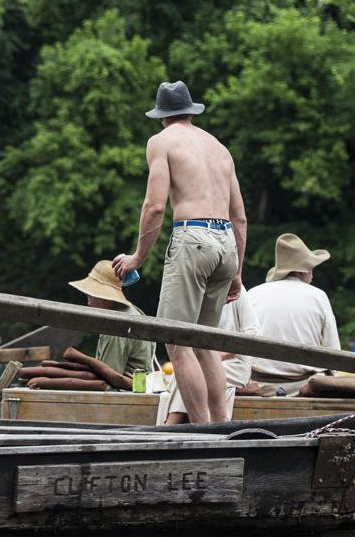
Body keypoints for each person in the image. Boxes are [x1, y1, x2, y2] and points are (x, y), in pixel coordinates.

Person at [113, 81, 246, 423]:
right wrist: (237, 272)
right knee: (206, 344)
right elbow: (240, 217)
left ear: (161, 117)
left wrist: (137, 258)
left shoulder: (161, 142)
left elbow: (155, 207)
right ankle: (222, 426)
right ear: (190, 111)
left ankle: (202, 432)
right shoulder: (219, 147)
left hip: (194, 237)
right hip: (227, 242)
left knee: (176, 341)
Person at [244, 233, 340, 394]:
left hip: (260, 387)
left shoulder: (252, 294)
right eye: (311, 269)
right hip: (306, 388)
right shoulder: (318, 295)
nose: (313, 275)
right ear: (303, 272)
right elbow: (334, 354)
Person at [158, 295, 261, 424]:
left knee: (196, 370)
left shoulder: (238, 293)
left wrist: (221, 354)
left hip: (235, 363)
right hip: (201, 360)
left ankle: (172, 423)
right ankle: (176, 421)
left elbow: (253, 332)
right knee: (184, 372)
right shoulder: (196, 293)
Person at [63, 260, 155, 390]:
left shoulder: (116, 327)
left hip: (126, 398)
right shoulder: (130, 313)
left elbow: (108, 382)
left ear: (105, 296)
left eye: (93, 291)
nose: (88, 296)